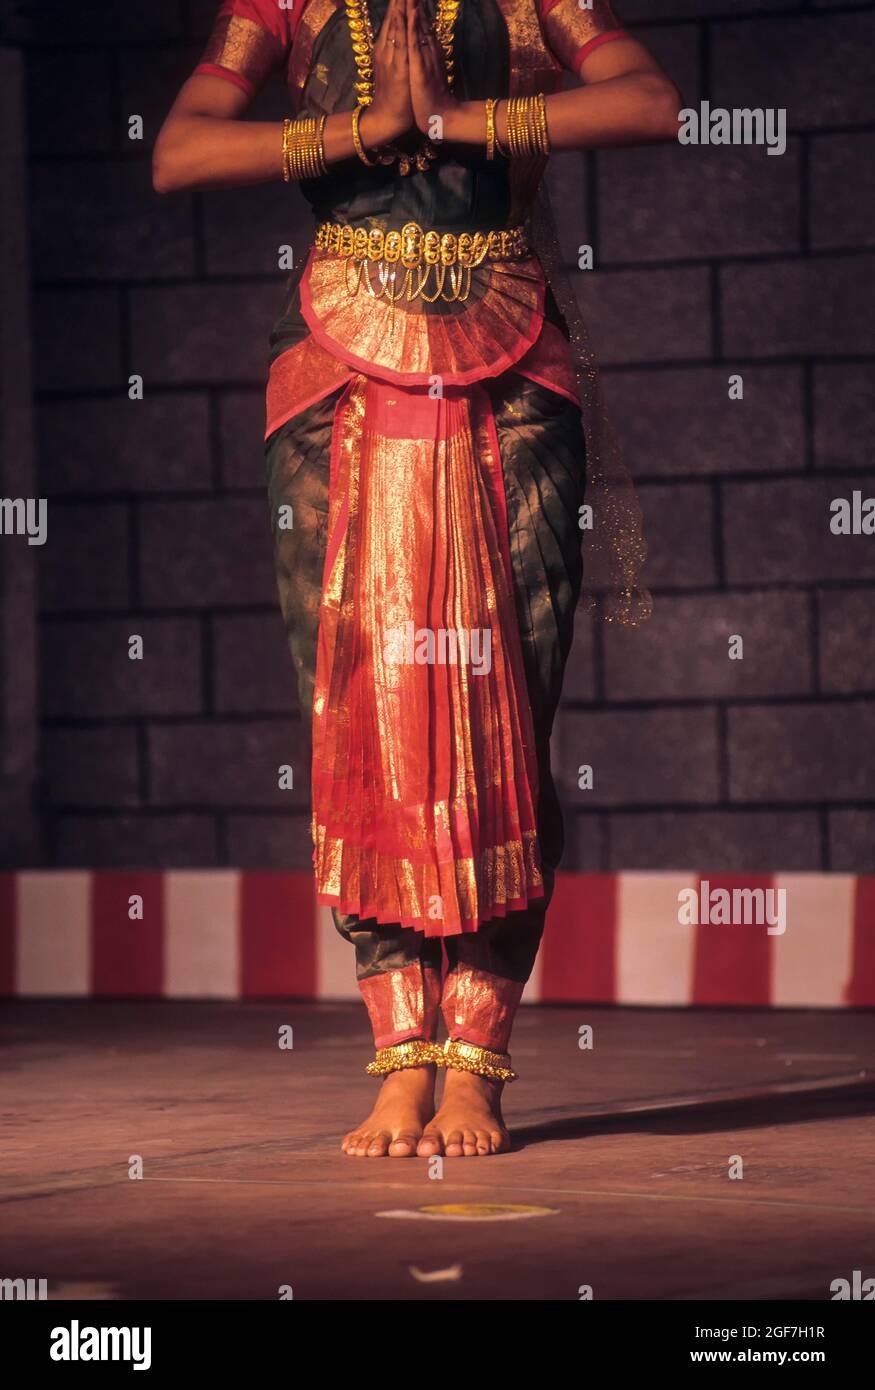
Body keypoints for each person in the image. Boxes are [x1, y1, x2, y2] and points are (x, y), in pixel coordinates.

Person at [154, 0, 678, 1158]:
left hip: (513, 386)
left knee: (502, 733)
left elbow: (649, 102)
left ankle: (476, 1067)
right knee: (361, 723)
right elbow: (181, 148)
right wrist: (357, 131)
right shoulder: (279, 9)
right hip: (334, 384)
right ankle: (398, 1061)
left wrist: (452, 116)